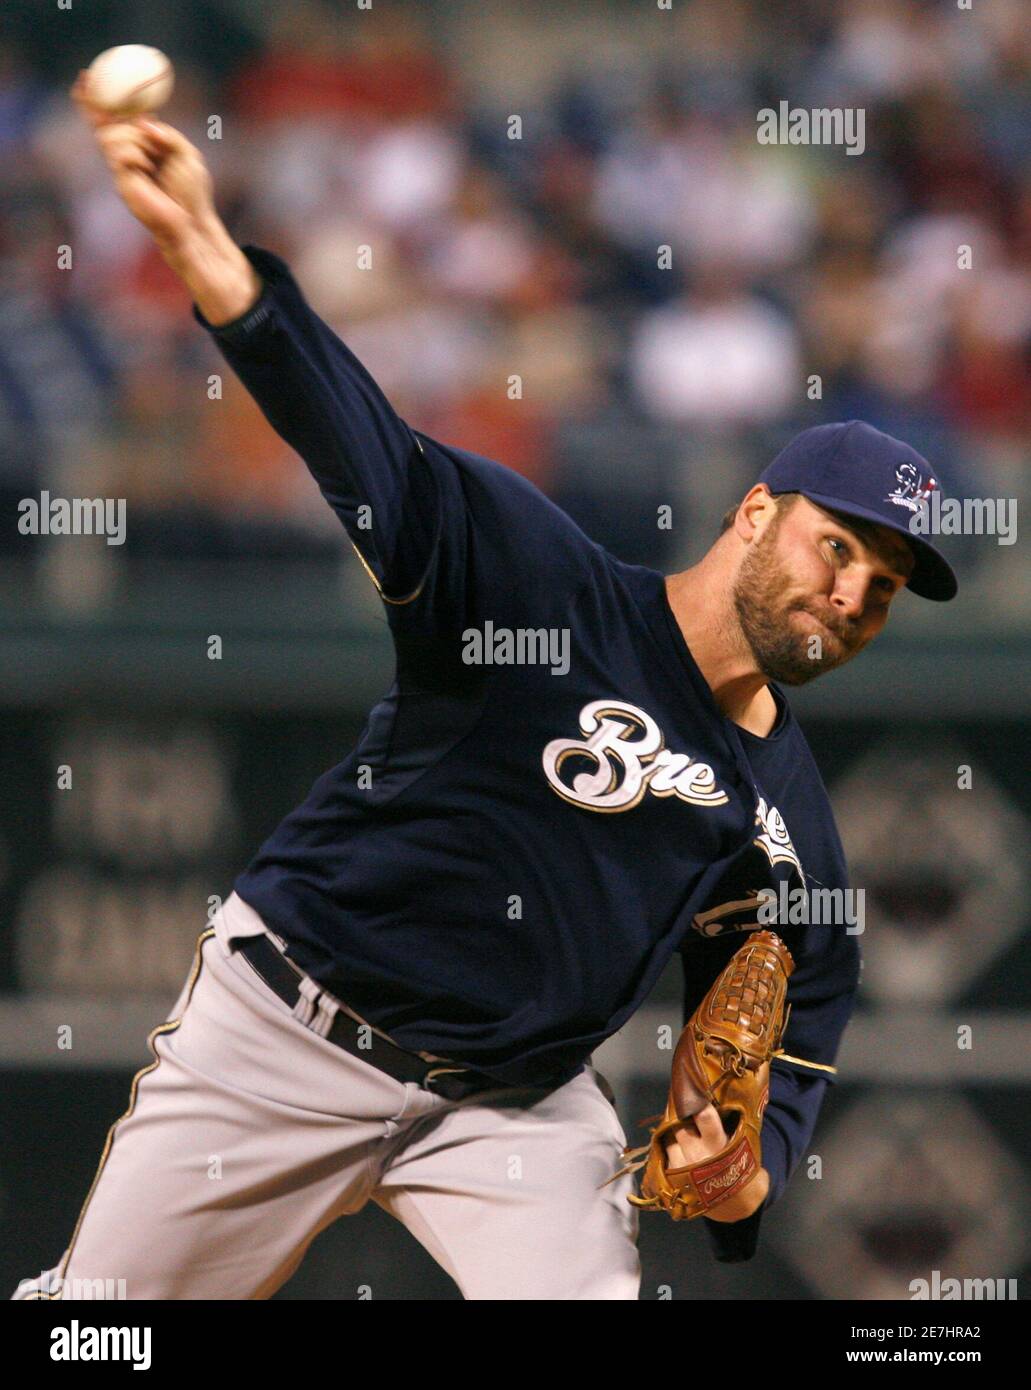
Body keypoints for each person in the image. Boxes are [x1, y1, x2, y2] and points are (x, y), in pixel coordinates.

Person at [13, 79, 956, 1301]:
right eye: (839, 549)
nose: (851, 595)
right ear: (756, 511)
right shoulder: (535, 581)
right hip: (289, 1035)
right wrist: (210, 250)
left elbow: (802, 1030)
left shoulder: (787, 831)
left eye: (881, 589)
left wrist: (747, 1169)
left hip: (518, 1106)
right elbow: (356, 437)